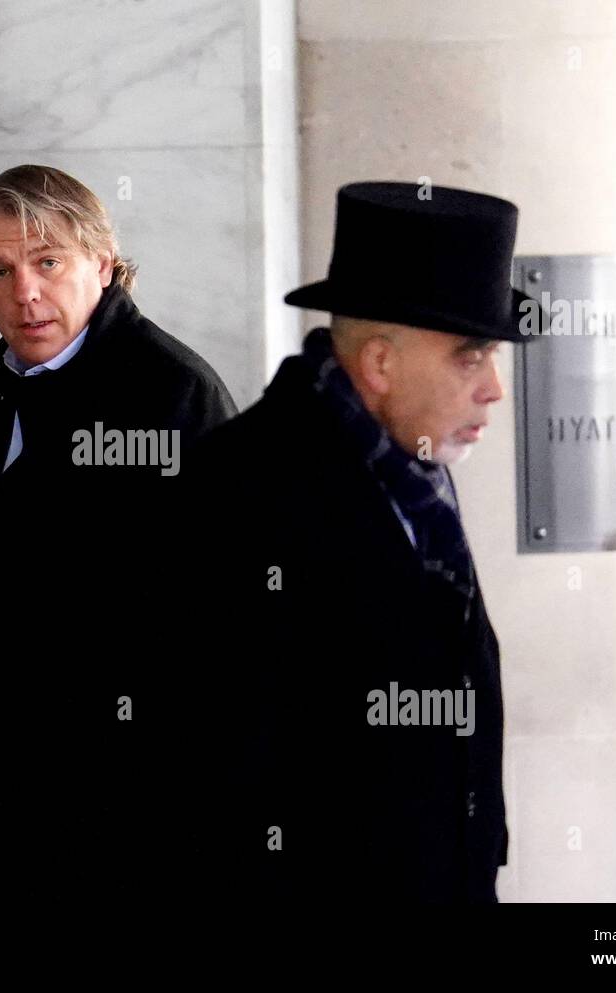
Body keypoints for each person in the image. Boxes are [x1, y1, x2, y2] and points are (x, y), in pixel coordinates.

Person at [178, 181, 532, 902]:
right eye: (471, 355)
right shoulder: (240, 491)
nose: (495, 387)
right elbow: (222, 787)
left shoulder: (413, 471)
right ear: (379, 364)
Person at [0, 164, 236, 904]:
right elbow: (30, 558)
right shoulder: (15, 380)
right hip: (13, 811)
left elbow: (188, 611)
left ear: (102, 262)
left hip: (130, 827)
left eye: (47, 261)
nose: (25, 290)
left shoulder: (172, 389)